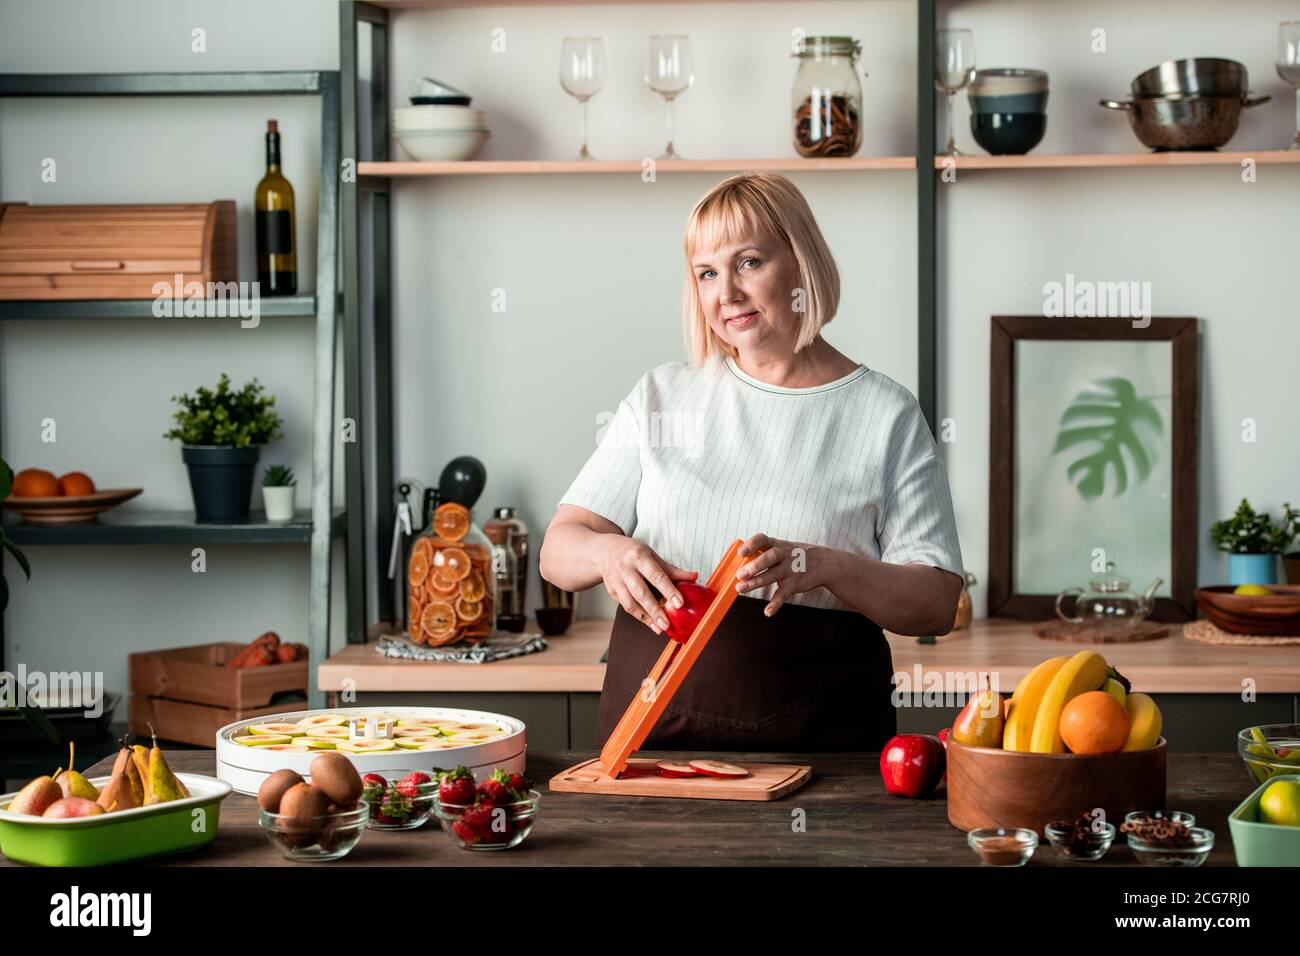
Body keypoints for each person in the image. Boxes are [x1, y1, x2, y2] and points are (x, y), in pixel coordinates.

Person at [538, 172, 964, 752]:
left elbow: (936, 603)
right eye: (707, 273)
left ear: (802, 263)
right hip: (648, 735)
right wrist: (608, 551)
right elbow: (559, 549)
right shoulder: (661, 396)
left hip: (822, 739)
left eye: (749, 263)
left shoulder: (884, 412)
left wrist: (828, 566)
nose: (727, 294)